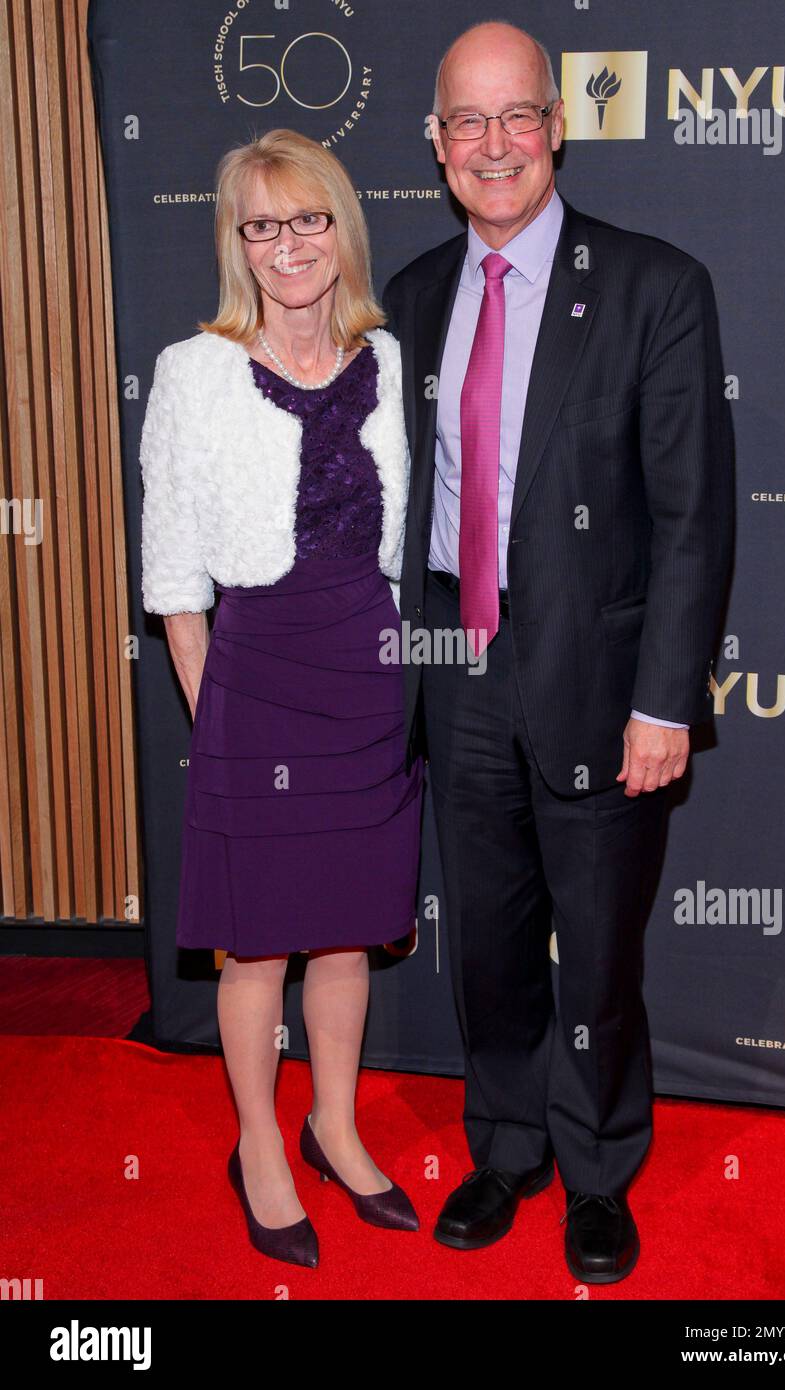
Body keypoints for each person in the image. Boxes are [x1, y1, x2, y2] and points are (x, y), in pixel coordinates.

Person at [382, 21, 734, 1282]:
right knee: (485, 933)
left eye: (514, 116)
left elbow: (693, 517)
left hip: (598, 674)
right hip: (458, 657)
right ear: (434, 145)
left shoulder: (652, 284)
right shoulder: (415, 298)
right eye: (465, 123)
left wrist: (663, 702)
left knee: (594, 941)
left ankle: (596, 1167)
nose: (492, 145)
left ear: (555, 127)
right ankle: (506, 1142)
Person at [139, 128, 423, 1268]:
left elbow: (405, 537)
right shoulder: (191, 370)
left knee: (349, 930)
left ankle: (335, 1126)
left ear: (339, 227)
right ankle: (259, 1139)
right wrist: (219, 722)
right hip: (252, 677)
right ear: (236, 243)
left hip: (363, 666)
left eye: (307, 218)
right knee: (255, 945)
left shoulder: (389, 359)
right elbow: (171, 577)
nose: (287, 243)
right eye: (262, 224)